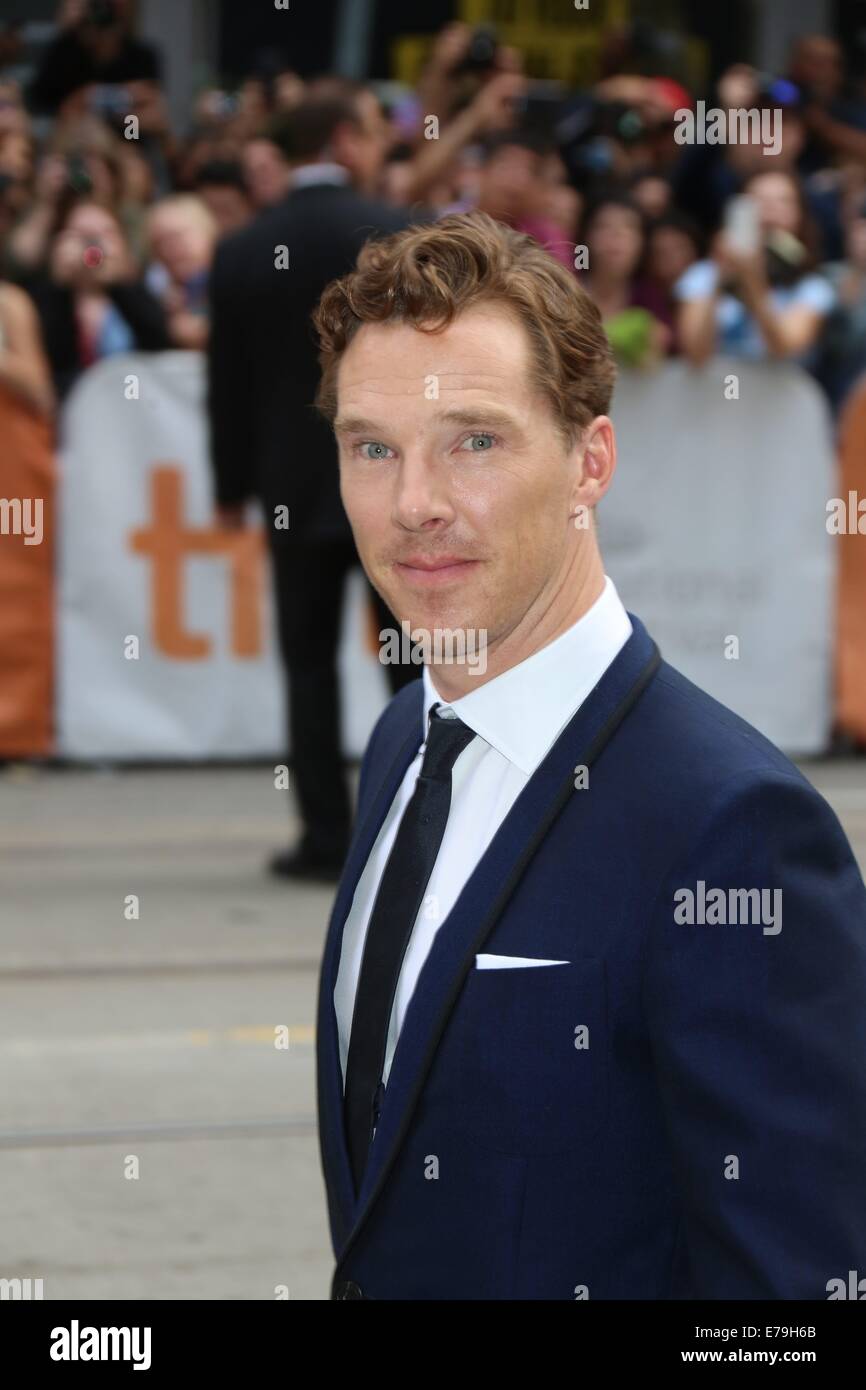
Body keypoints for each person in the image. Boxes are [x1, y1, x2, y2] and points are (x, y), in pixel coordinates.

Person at [312, 211, 866, 1300]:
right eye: (372, 448)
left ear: (589, 460)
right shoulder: (398, 747)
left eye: (473, 439)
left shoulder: (731, 828)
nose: (413, 503)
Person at [207, 77, 429, 884]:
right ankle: (421, 832)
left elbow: (226, 386)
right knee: (413, 660)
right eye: (370, 131)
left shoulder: (239, 250)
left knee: (307, 664)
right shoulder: (402, 235)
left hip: (294, 492)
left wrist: (230, 484)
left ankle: (325, 840)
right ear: (342, 142)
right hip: (393, 481)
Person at [676, 169, 834, 367]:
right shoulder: (702, 275)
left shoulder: (813, 287)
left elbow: (784, 348)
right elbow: (695, 354)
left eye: (783, 201)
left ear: (800, 216)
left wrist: (752, 279)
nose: (770, 210)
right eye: (759, 200)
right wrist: (720, 278)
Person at [24, 196, 169, 397]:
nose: (93, 245)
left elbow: (160, 344)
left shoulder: (137, 292)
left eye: (105, 234)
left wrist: (119, 281)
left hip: (132, 402)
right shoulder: (45, 299)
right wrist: (61, 284)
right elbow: (49, 363)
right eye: (80, 235)